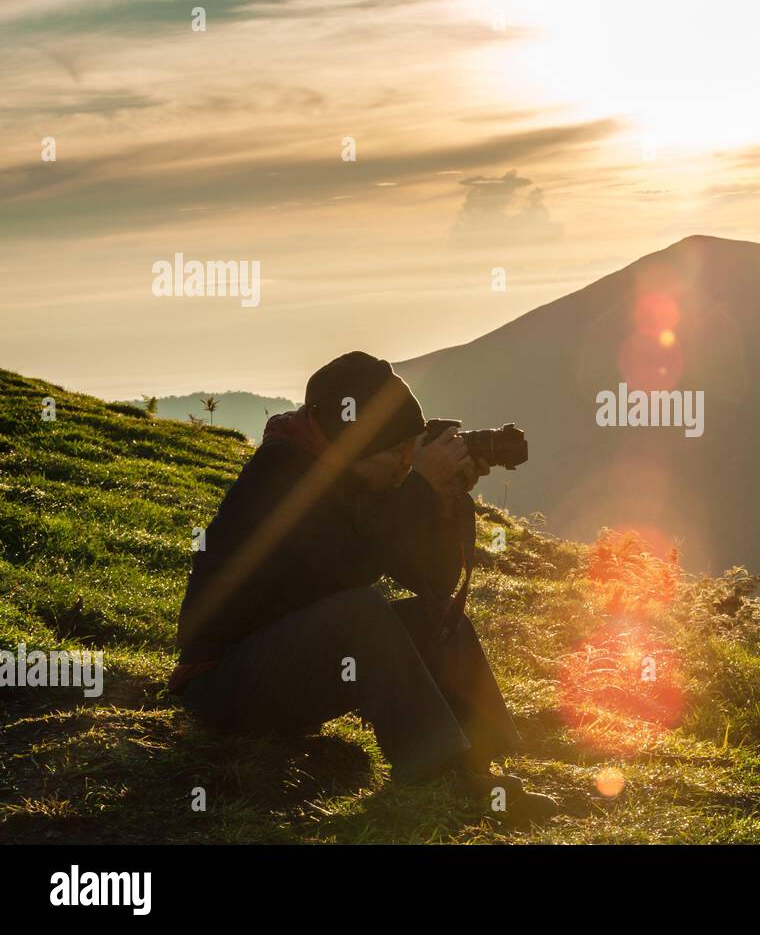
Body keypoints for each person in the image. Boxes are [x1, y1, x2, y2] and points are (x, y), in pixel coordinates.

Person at [169, 350, 556, 820]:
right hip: (222, 687)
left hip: (289, 670)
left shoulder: (353, 480)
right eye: (396, 452)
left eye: (411, 448)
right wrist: (420, 490)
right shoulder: (282, 475)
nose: (406, 463)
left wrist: (442, 503)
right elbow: (345, 564)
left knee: (431, 618)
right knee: (362, 612)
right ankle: (440, 778)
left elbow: (431, 581)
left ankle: (479, 763)